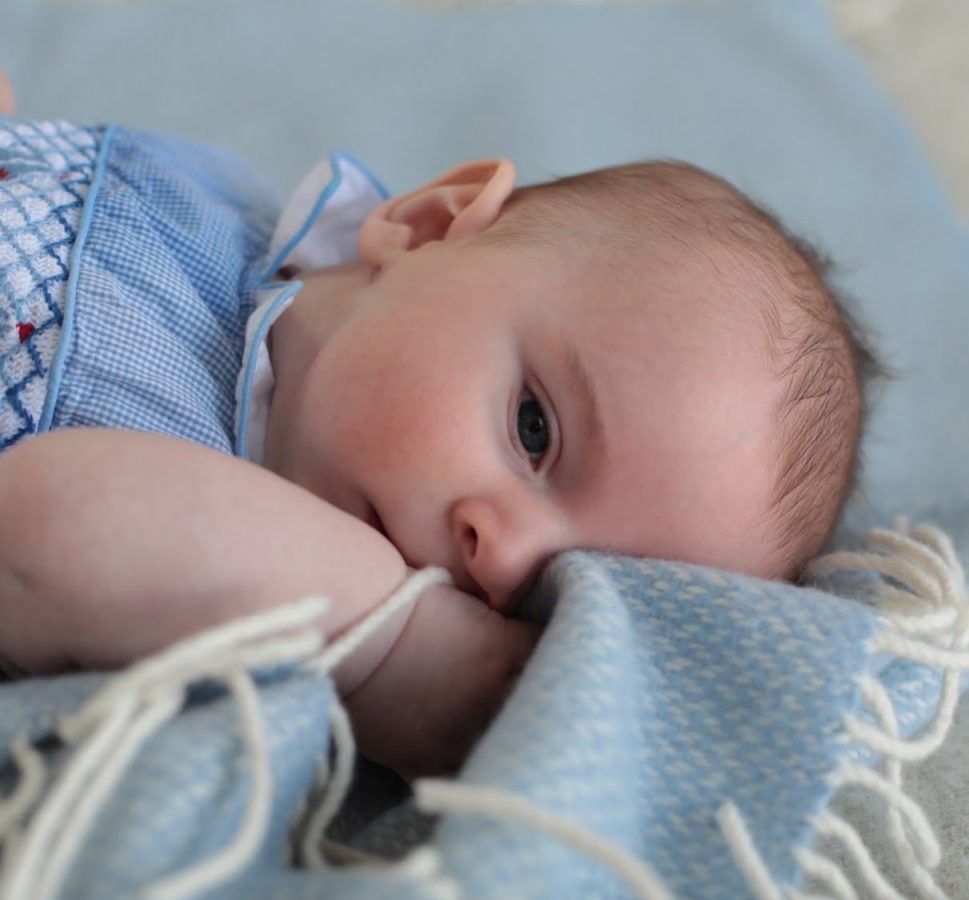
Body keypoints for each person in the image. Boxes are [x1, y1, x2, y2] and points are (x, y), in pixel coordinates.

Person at [0, 72, 881, 776]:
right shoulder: (207, 215)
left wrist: (398, 650)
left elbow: (44, 524)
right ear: (428, 225)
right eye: (533, 430)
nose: (496, 562)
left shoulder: (224, 571)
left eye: (542, 594)